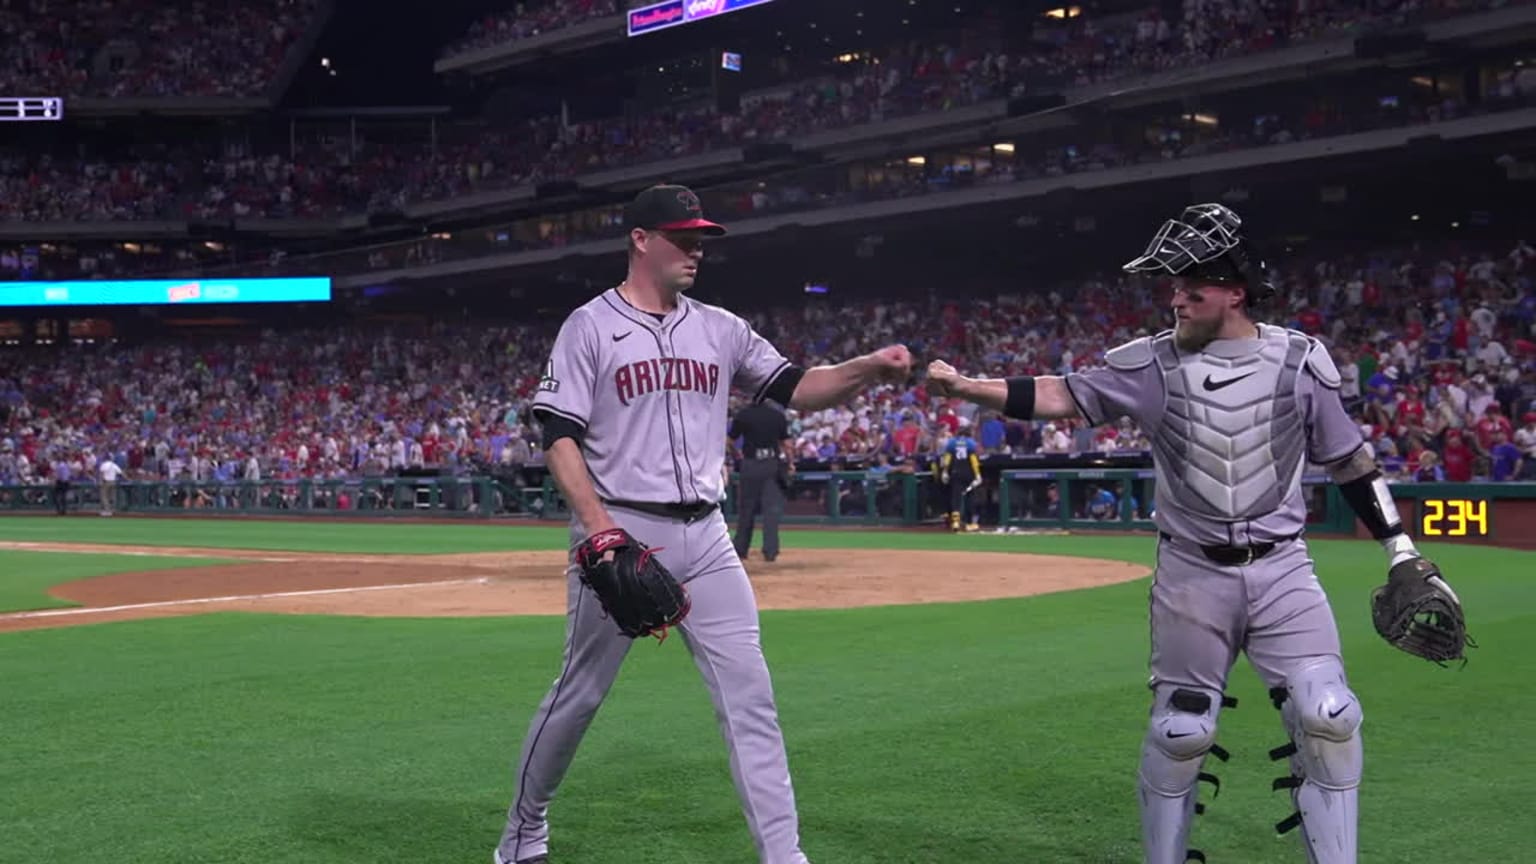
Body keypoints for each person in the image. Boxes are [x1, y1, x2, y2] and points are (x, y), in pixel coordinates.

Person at [925, 202, 1460, 864]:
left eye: (1191, 287)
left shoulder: (1300, 361)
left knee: (1329, 715)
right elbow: (1059, 394)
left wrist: (1400, 550)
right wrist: (965, 387)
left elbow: (1352, 462)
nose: (1175, 298)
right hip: (1192, 575)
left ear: (1236, 290)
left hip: (1283, 571)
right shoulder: (1149, 363)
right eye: (1173, 286)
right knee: (1181, 730)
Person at [494, 183, 911, 864]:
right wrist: (598, 529)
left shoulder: (721, 327)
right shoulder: (589, 326)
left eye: (701, 239)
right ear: (640, 239)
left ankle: (786, 856)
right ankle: (521, 834)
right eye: (682, 238)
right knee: (580, 694)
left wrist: (868, 368)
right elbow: (558, 435)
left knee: (752, 700)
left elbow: (799, 387)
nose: (696, 250)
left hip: (709, 535)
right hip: (623, 528)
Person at [730, 397, 794, 562]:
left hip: (750, 463)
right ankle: (770, 551)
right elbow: (787, 444)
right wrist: (790, 463)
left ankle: (741, 549)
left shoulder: (743, 414)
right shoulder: (777, 415)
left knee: (747, 509)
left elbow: (729, 441)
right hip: (771, 463)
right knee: (771, 509)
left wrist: (737, 455)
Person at [938, 419, 981, 531]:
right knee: (970, 496)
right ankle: (970, 522)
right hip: (969, 473)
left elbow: (947, 459)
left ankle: (956, 523)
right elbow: (974, 460)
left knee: (956, 497)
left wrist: (945, 471)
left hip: (956, 472)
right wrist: (977, 474)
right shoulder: (971, 443)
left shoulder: (952, 442)